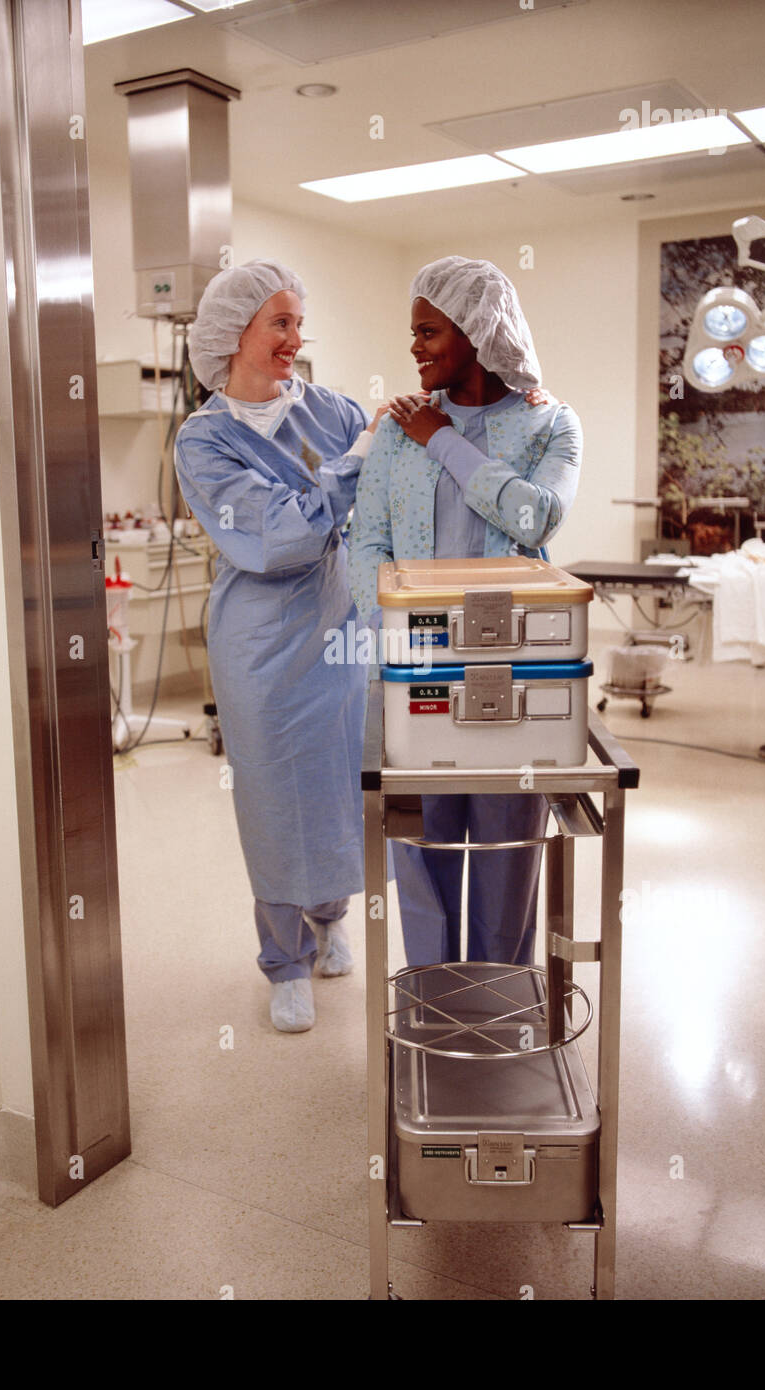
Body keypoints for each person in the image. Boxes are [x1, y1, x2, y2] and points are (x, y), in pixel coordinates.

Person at [348, 256, 582, 969]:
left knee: (508, 846)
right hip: (413, 668)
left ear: (476, 331)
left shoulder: (549, 424)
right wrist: (395, 639)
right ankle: (428, 994)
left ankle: (499, 998)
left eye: (427, 331)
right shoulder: (395, 428)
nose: (413, 346)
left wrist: (441, 440)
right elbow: (369, 542)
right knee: (420, 843)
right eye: (412, 333)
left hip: (510, 674)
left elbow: (535, 517)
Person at [174, 260, 386, 1033]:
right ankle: (283, 961)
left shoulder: (329, 411)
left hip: (337, 627)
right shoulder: (203, 441)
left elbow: (388, 484)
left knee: (335, 782)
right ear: (235, 335)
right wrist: (351, 468)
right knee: (271, 796)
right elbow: (272, 539)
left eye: (300, 323)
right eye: (281, 324)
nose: (297, 339)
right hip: (259, 641)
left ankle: (330, 921)